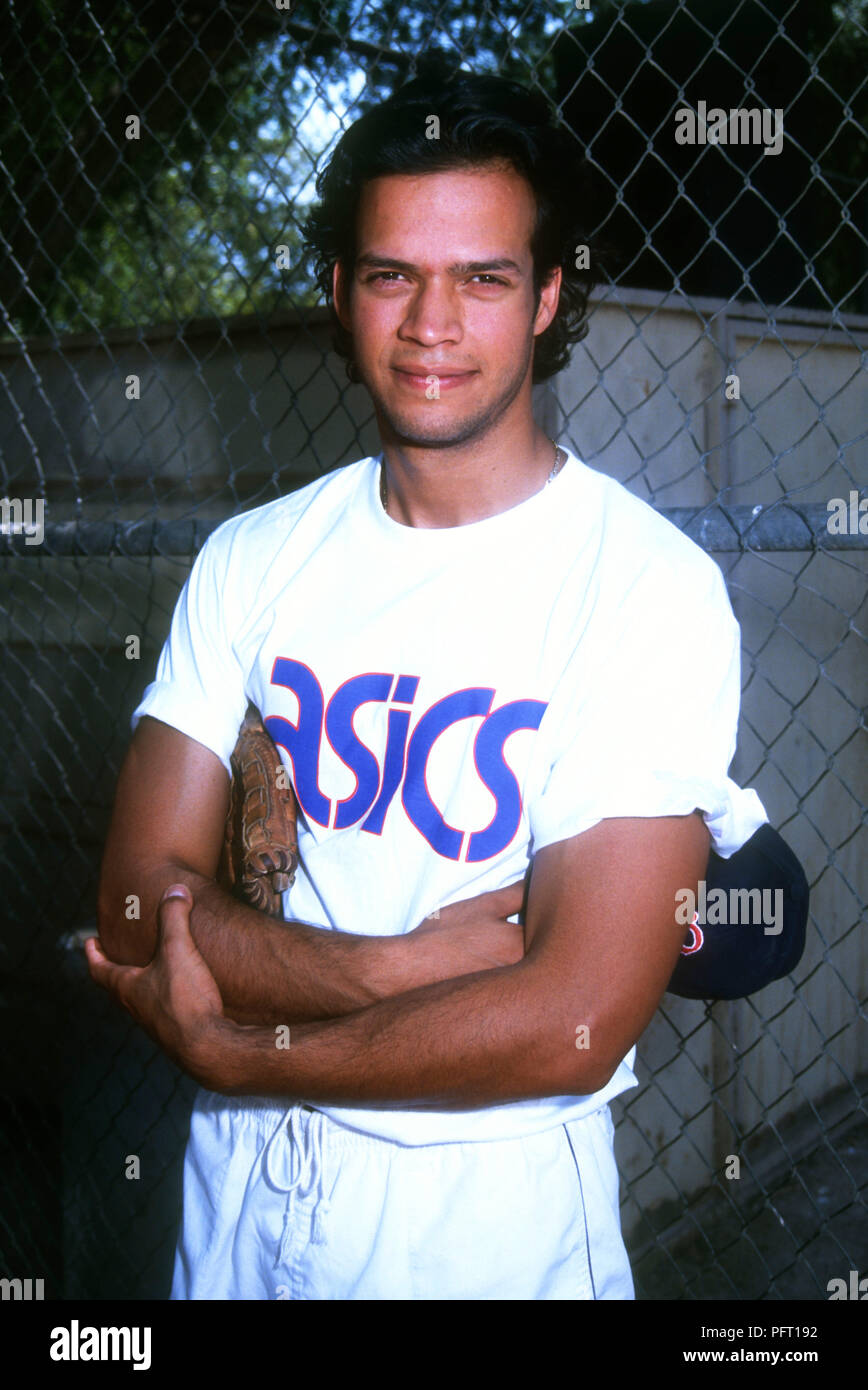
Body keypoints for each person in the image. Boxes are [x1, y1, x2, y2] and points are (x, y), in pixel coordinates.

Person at [87, 70, 767, 1300]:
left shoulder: (643, 587)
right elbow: (138, 909)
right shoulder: (252, 556)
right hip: (239, 1185)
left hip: (482, 1207)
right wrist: (391, 969)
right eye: (393, 274)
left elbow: (570, 1021)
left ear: (549, 294)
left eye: (485, 279)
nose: (430, 325)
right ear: (342, 292)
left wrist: (247, 1046)